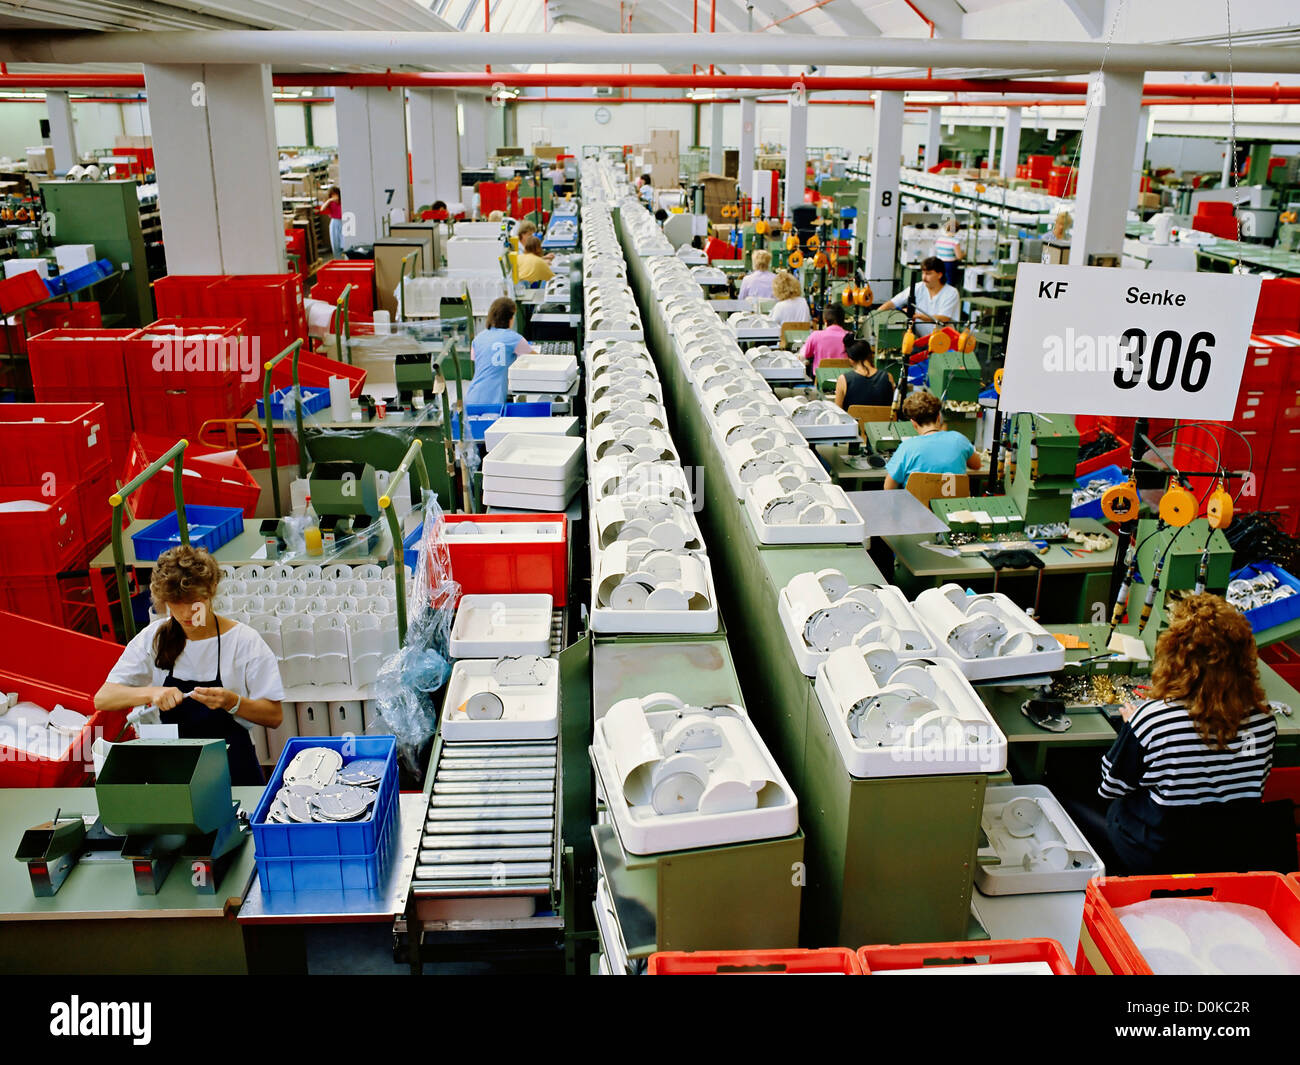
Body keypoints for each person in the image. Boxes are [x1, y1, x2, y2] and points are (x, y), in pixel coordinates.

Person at [1098, 594, 1277, 875]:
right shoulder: (1264, 720)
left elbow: (1111, 787)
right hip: (1228, 856)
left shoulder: (1155, 720)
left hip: (1157, 855)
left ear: (1175, 657)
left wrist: (1132, 726)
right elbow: (1249, 786)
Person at [94, 546, 284, 786]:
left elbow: (274, 716)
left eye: (194, 602)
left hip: (232, 766)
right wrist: (153, 692)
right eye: (175, 603)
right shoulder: (154, 638)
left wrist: (232, 702)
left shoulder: (243, 642)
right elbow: (103, 698)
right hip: (172, 766)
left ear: (211, 591)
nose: (186, 613)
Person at [883, 390, 979, 490]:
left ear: (913, 423)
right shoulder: (959, 439)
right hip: (954, 505)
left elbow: (888, 487)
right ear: (939, 417)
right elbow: (977, 465)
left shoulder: (907, 448)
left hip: (918, 505)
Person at [465, 296, 533, 407]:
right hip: (494, 400)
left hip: (472, 397)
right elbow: (537, 360)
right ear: (510, 318)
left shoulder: (477, 339)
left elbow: (479, 363)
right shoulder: (514, 338)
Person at [877, 256, 960, 338]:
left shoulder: (951, 293)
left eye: (928, 274)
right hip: (921, 340)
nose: (924, 277)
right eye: (923, 273)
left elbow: (943, 318)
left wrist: (918, 316)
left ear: (939, 275)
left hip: (943, 342)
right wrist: (876, 315)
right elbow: (893, 302)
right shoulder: (918, 287)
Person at [835, 340, 894, 411]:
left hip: (856, 422)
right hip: (882, 421)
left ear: (851, 360)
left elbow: (838, 412)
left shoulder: (843, 379)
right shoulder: (888, 377)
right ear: (870, 355)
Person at [800, 302, 851, 372]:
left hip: (821, 380)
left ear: (825, 321)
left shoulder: (815, 336)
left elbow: (804, 354)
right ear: (843, 319)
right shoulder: (851, 337)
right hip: (845, 379)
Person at [933, 217, 964, 286]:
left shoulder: (939, 239)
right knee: (949, 284)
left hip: (938, 263)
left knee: (939, 283)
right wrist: (964, 254)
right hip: (949, 264)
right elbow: (959, 257)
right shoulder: (955, 241)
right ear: (957, 229)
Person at [320, 186, 343, 256]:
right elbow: (322, 209)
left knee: (344, 242)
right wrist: (329, 200)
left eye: (335, 194)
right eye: (332, 195)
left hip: (343, 221)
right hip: (335, 222)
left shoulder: (342, 202)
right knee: (335, 243)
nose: (334, 197)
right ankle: (338, 260)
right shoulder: (330, 203)